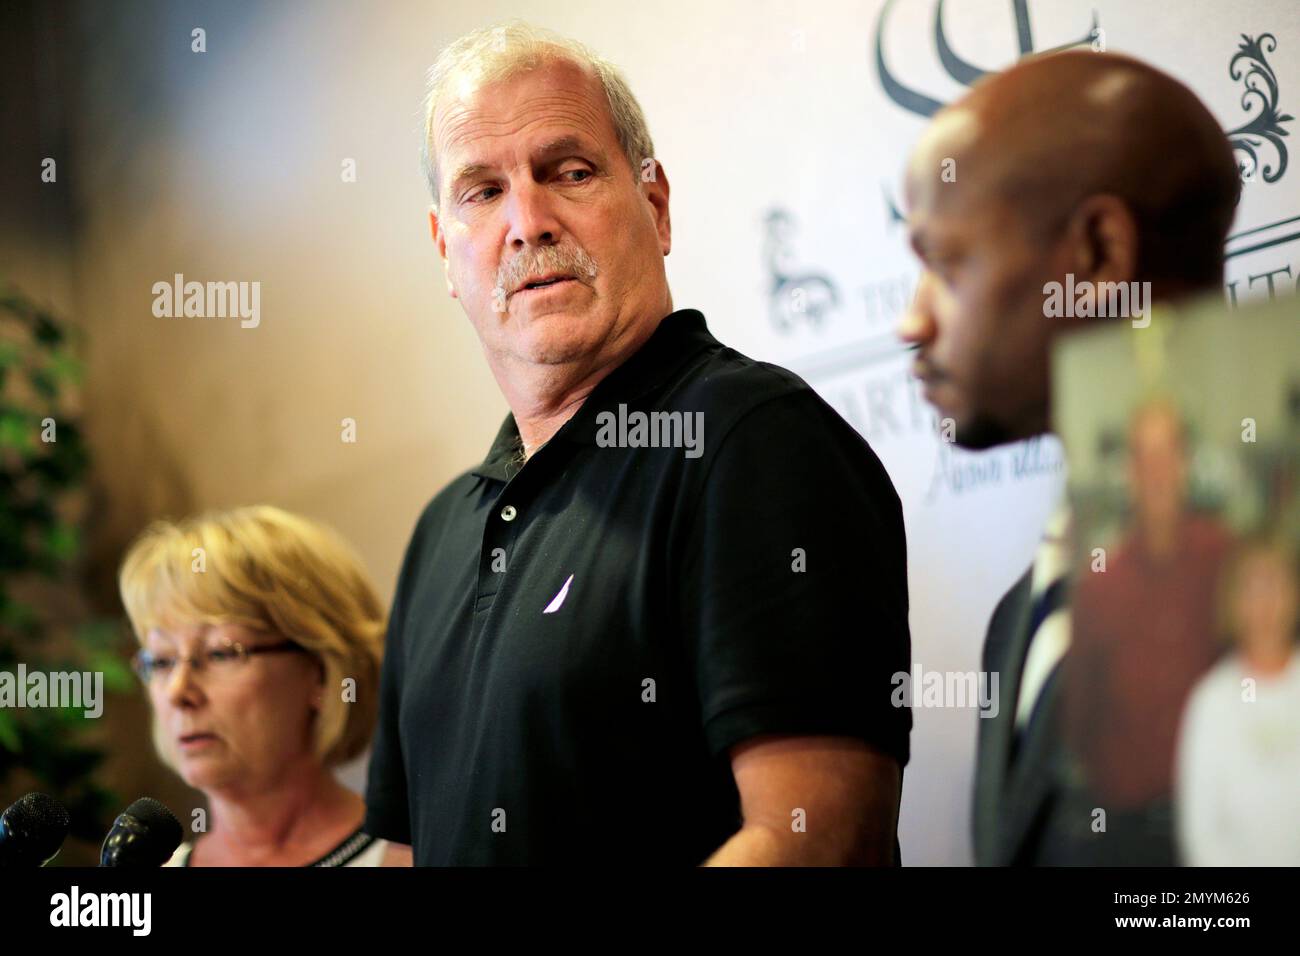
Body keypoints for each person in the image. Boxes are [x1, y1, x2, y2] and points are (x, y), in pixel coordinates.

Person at [364, 21, 912, 866]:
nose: (529, 222)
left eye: (569, 172)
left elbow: (818, 837)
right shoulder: (441, 530)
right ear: (445, 250)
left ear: (655, 206)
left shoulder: (753, 442)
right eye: (482, 192)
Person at [895, 49, 1240, 865]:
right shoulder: (1020, 619)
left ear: (1097, 255)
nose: (913, 323)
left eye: (945, 263)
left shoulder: (1266, 572)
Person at [119, 505, 401, 866]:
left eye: (222, 653)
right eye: (161, 660)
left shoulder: (413, 856)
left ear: (322, 672)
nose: (178, 692)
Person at [1065, 400, 1233, 864]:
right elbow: (1080, 720)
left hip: (1226, 824)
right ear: (1130, 472)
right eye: (1145, 456)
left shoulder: (1227, 560)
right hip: (1131, 835)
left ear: (1185, 463)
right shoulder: (1100, 588)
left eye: (1168, 453)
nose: (1157, 471)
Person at [1177, 536, 1300, 865]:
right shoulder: (1211, 703)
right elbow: (1202, 835)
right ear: (1233, 603)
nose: (1266, 604)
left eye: (1276, 583)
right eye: (1252, 589)